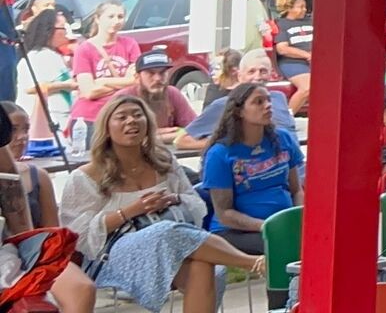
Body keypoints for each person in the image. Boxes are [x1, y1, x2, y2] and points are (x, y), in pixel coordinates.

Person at [60, 96, 263, 313]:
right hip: (113, 256)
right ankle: (252, 262)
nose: (131, 121)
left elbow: (196, 205)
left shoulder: (163, 162)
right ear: (107, 128)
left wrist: (174, 199)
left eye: (137, 115)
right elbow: (77, 235)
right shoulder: (85, 176)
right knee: (164, 231)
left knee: (205, 267)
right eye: (122, 117)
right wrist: (130, 211)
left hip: (169, 249)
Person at [0, 102, 96, 313]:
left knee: (80, 287)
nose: (21, 137)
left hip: (9, 253)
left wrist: (30, 253)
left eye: (26, 129)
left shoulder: (34, 175)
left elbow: (26, 228)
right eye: (14, 129)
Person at [201, 82, 305, 256]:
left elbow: (296, 190)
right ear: (239, 111)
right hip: (237, 231)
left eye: (268, 100)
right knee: (286, 247)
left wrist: (299, 218)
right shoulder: (220, 154)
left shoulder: (282, 139)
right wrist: (266, 226)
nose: (268, 105)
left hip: (284, 224)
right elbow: (224, 213)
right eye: (258, 102)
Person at [176, 50, 293, 154]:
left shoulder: (279, 98)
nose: (257, 77)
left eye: (263, 71)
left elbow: (289, 133)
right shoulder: (224, 104)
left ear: (271, 75)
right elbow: (183, 141)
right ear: (240, 76)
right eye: (251, 72)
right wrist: (230, 143)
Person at [68, 2, 141, 156]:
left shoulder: (130, 44)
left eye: (120, 16)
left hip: (122, 115)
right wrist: (124, 82)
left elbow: (137, 81)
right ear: (97, 19)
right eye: (111, 16)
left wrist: (102, 81)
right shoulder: (84, 49)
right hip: (90, 118)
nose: (116, 21)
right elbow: (88, 91)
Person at [14, 8, 71, 158]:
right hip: (47, 126)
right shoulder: (37, 57)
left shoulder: (55, 55)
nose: (66, 32)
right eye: (62, 28)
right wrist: (68, 85)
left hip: (62, 121)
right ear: (49, 30)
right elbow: (33, 88)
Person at [117, 50, 198, 143]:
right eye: (150, 73)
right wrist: (159, 134)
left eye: (162, 73)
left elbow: (196, 129)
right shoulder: (123, 99)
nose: (157, 78)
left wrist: (152, 136)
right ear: (137, 77)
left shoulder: (172, 93)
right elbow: (118, 137)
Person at [270, 0, 313, 115]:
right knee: (307, 88)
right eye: (301, 7)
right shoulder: (281, 24)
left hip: (317, 61)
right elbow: (282, 49)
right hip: (292, 62)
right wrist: (307, 55)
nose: (304, 10)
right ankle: (286, 118)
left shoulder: (312, 22)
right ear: (289, 8)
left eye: (305, 7)